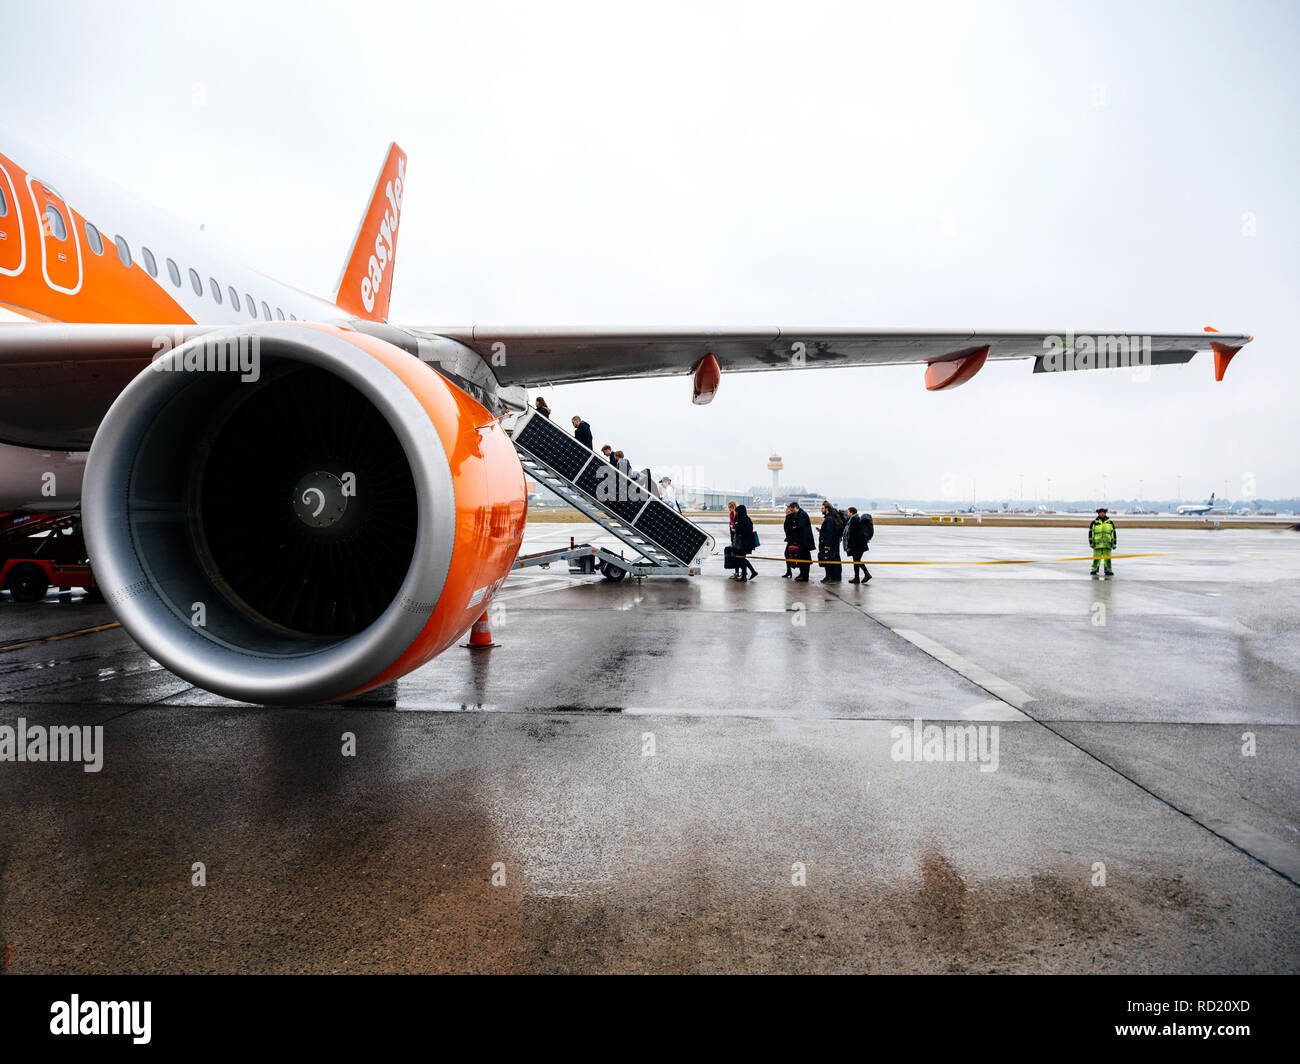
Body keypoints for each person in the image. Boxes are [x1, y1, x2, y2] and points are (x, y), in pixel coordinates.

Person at [786, 502, 815, 581]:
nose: (791, 511)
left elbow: (799, 526)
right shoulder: (799, 514)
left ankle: (805, 576)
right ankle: (802, 574)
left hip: (805, 541)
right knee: (801, 558)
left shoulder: (802, 514)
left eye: (792, 509)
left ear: (795, 507)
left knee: (804, 558)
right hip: (801, 541)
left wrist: (794, 527)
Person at [844, 506, 873, 583]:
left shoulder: (854, 519)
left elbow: (852, 534)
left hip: (857, 545)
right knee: (856, 561)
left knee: (857, 561)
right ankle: (857, 578)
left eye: (848, 512)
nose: (847, 513)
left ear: (851, 512)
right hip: (859, 544)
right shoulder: (855, 518)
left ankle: (866, 574)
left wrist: (850, 545)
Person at [731, 504, 759, 581]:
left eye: (737, 512)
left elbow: (738, 530)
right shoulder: (747, 518)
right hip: (746, 542)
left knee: (742, 559)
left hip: (743, 543)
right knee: (742, 559)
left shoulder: (743, 519)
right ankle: (751, 572)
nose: (736, 513)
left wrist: (735, 528)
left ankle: (745, 576)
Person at [818, 500, 843, 583]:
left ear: (827, 509)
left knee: (830, 561)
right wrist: (822, 531)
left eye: (822, 508)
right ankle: (833, 577)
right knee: (833, 559)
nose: (821, 510)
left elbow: (830, 533)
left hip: (830, 544)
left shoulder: (829, 519)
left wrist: (827, 544)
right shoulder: (833, 517)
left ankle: (831, 577)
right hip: (834, 543)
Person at [1089, 506, 1117, 577]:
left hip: (1107, 545)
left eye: (1103, 513)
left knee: (1107, 559)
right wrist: (1091, 542)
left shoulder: (1110, 523)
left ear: (1105, 513)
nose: (1102, 514)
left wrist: (1114, 543)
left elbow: (1113, 533)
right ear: (1098, 513)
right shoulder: (1094, 523)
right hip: (1097, 545)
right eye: (1100, 513)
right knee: (1096, 558)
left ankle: (1108, 570)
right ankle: (1094, 569)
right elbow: (1090, 533)